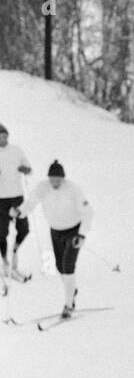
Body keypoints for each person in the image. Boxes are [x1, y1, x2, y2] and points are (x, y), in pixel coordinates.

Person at [12, 160, 95, 318]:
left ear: (63, 178)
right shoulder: (43, 187)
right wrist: (19, 211)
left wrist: (82, 234)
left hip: (74, 232)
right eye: (52, 179)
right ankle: (71, 290)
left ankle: (69, 305)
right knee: (60, 267)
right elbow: (30, 203)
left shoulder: (73, 188)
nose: (55, 182)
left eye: (58, 179)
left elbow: (88, 212)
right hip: (55, 231)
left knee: (68, 265)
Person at [0, 123, 33, 281]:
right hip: (1, 199)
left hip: (17, 197)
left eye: (5, 136)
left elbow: (29, 168)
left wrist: (25, 169)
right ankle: (6, 263)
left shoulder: (16, 150)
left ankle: (14, 251)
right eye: (0, 136)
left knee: (24, 228)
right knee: (2, 232)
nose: (3, 139)